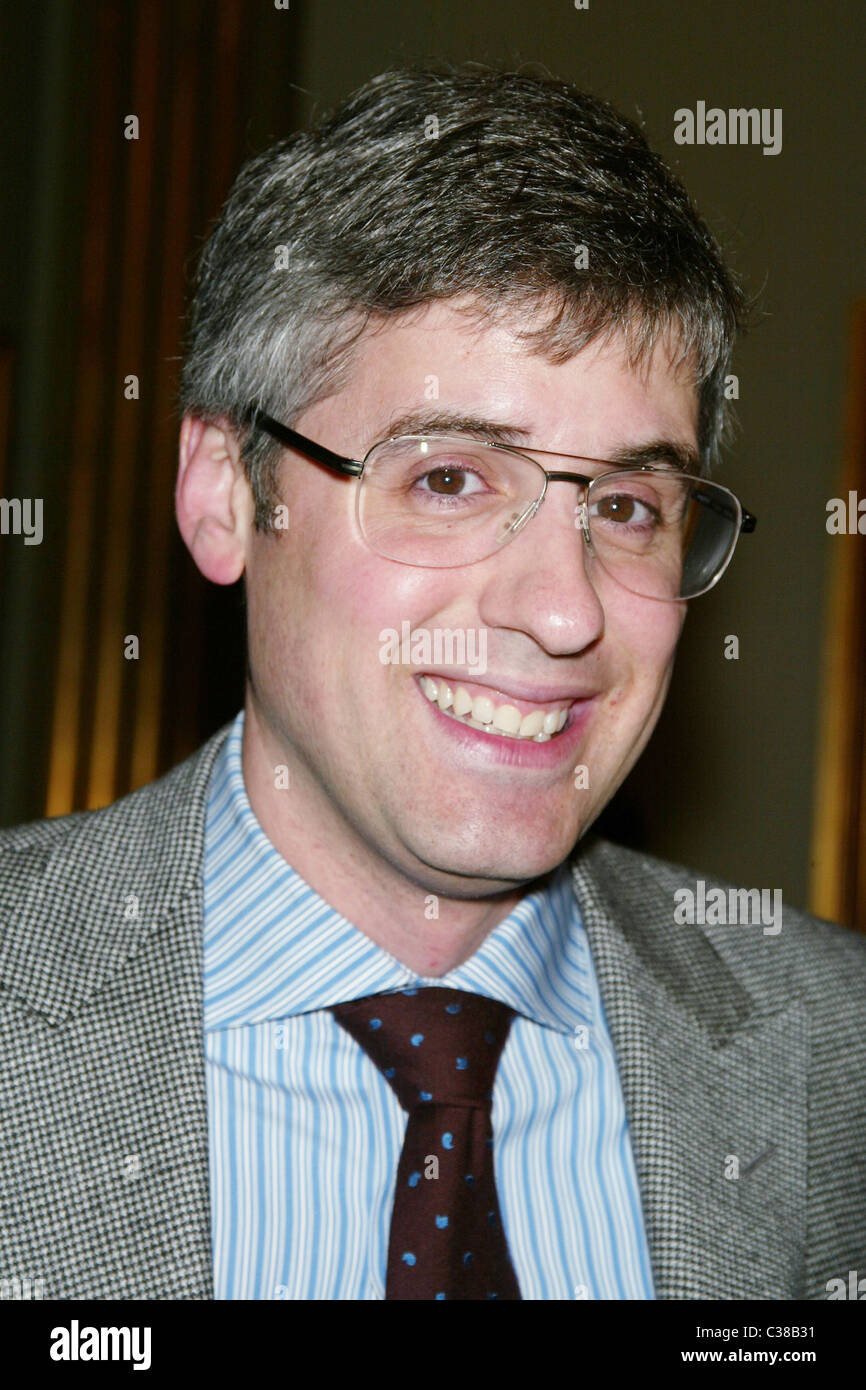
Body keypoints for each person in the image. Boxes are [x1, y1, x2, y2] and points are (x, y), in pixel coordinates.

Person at [2, 64, 864, 1303]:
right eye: (449, 479)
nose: (564, 610)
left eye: (627, 506)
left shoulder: (833, 1058)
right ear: (223, 494)